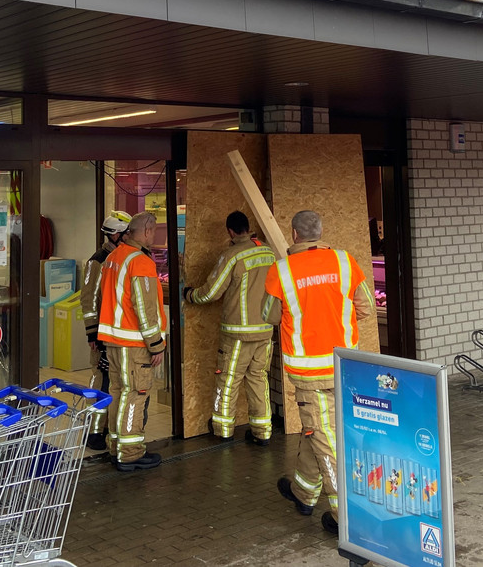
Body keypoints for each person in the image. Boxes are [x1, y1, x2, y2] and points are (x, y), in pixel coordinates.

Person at [262, 209, 375, 536]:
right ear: (321, 232)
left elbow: (269, 315)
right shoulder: (344, 261)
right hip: (345, 366)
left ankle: (347, 518)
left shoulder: (281, 271)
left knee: (327, 441)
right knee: (322, 433)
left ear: (294, 235)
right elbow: (365, 306)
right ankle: (303, 492)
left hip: (309, 374)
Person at [182, 210, 276, 444]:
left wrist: (190, 295)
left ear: (230, 231)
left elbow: (211, 292)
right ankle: (262, 432)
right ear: (248, 228)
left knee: (228, 380)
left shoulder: (232, 255)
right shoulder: (268, 251)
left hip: (238, 333)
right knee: (258, 379)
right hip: (265, 330)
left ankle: (223, 431)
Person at [98, 211, 168, 471]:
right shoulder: (140, 262)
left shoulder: (114, 257)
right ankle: (130, 453)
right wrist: (156, 343)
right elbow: (145, 306)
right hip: (134, 343)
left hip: (113, 341)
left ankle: (116, 445)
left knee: (117, 392)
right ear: (148, 231)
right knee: (136, 395)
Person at [81, 209, 131, 452]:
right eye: (126, 233)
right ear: (115, 235)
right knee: (101, 381)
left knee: (115, 383)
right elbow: (88, 300)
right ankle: (93, 431)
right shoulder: (98, 260)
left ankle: (109, 428)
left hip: (116, 335)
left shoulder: (125, 258)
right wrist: (93, 334)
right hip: (102, 337)